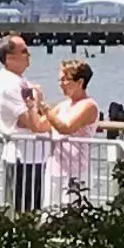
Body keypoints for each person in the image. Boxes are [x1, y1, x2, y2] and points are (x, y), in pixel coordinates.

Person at [0, 32, 52, 212]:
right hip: (22, 159)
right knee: (22, 212)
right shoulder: (9, 85)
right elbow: (33, 124)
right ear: (9, 58)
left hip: (35, 157)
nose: (29, 54)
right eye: (24, 51)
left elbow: (35, 117)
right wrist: (53, 116)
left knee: (35, 209)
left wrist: (39, 108)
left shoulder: (21, 82)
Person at [43, 56, 105, 202]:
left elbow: (66, 128)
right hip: (54, 169)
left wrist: (46, 111)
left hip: (76, 171)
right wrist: (33, 105)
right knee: (50, 213)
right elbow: (40, 126)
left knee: (71, 216)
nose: (61, 84)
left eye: (65, 80)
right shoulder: (63, 105)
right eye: (60, 80)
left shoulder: (89, 105)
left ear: (80, 82)